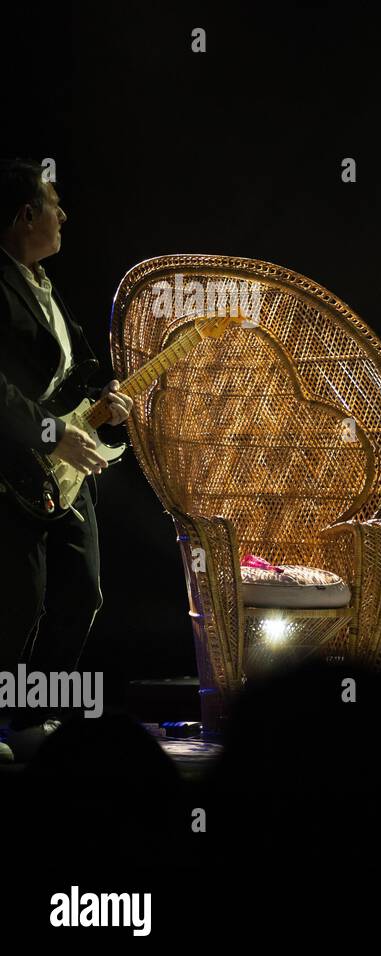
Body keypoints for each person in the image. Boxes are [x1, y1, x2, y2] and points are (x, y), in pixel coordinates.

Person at [0, 159, 133, 763]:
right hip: (12, 465)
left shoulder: (50, 292)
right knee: (16, 600)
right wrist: (53, 431)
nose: (64, 215)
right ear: (26, 213)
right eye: (54, 203)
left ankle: (32, 715)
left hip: (66, 470)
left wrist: (107, 408)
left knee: (82, 592)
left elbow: (74, 379)